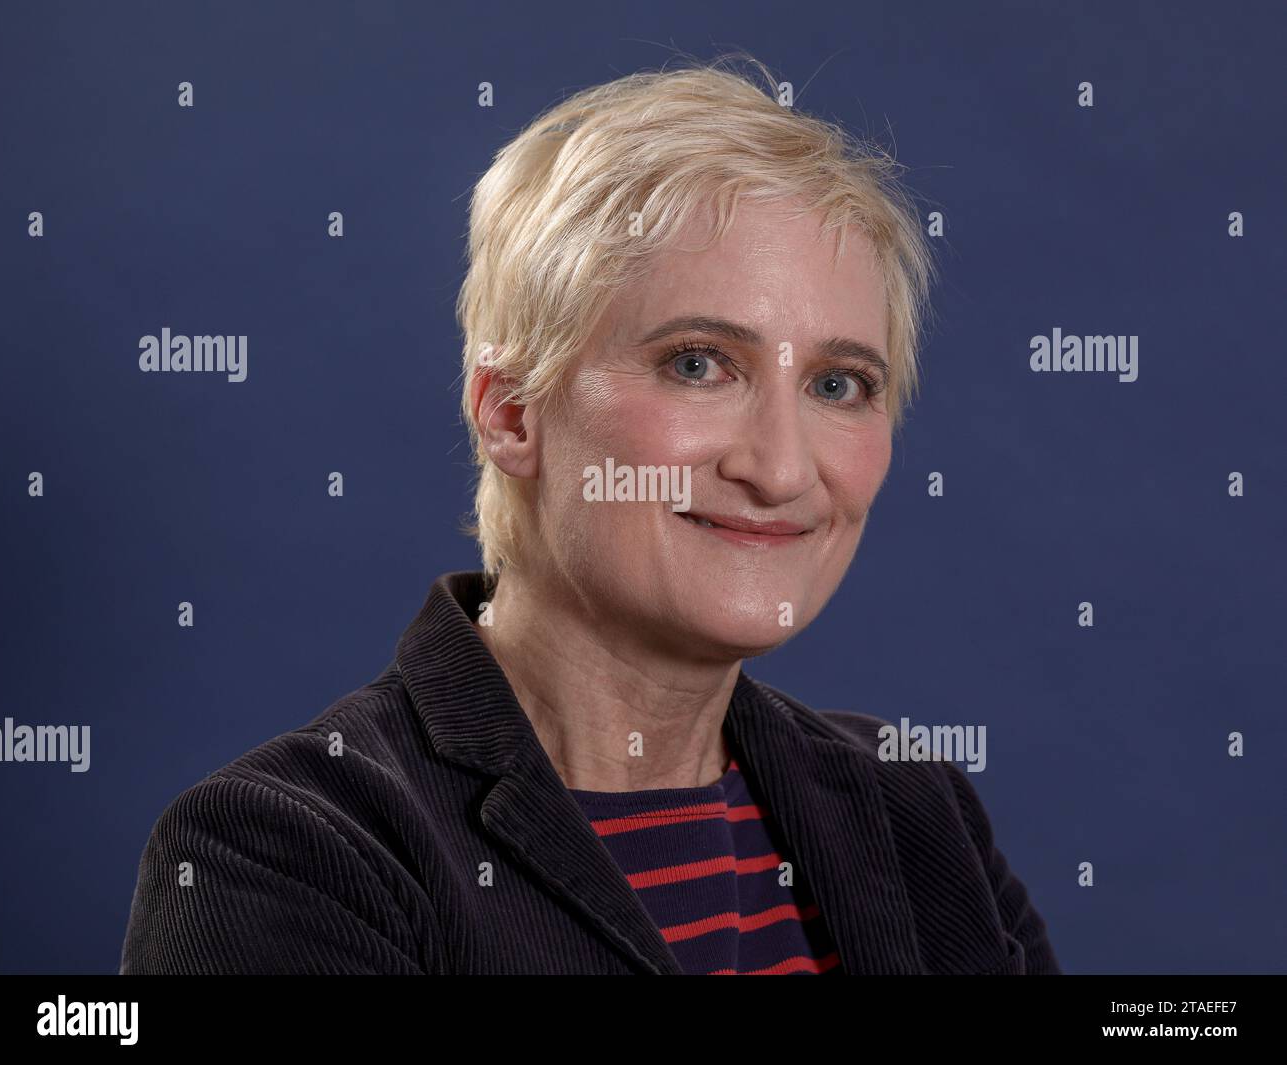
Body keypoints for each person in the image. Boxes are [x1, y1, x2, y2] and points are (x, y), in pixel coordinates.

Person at [120, 54, 1059, 975]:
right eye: (698, 362)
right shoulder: (283, 857)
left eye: (839, 382)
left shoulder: (916, 813)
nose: (780, 468)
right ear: (512, 412)